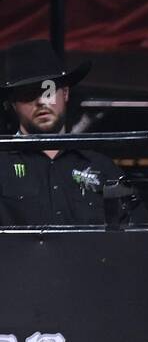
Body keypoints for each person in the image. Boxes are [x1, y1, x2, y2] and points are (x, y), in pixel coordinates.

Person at [0, 39, 134, 227]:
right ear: (13, 104)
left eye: (49, 90)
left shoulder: (103, 168)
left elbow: (136, 239)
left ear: (65, 93)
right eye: (28, 93)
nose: (41, 101)